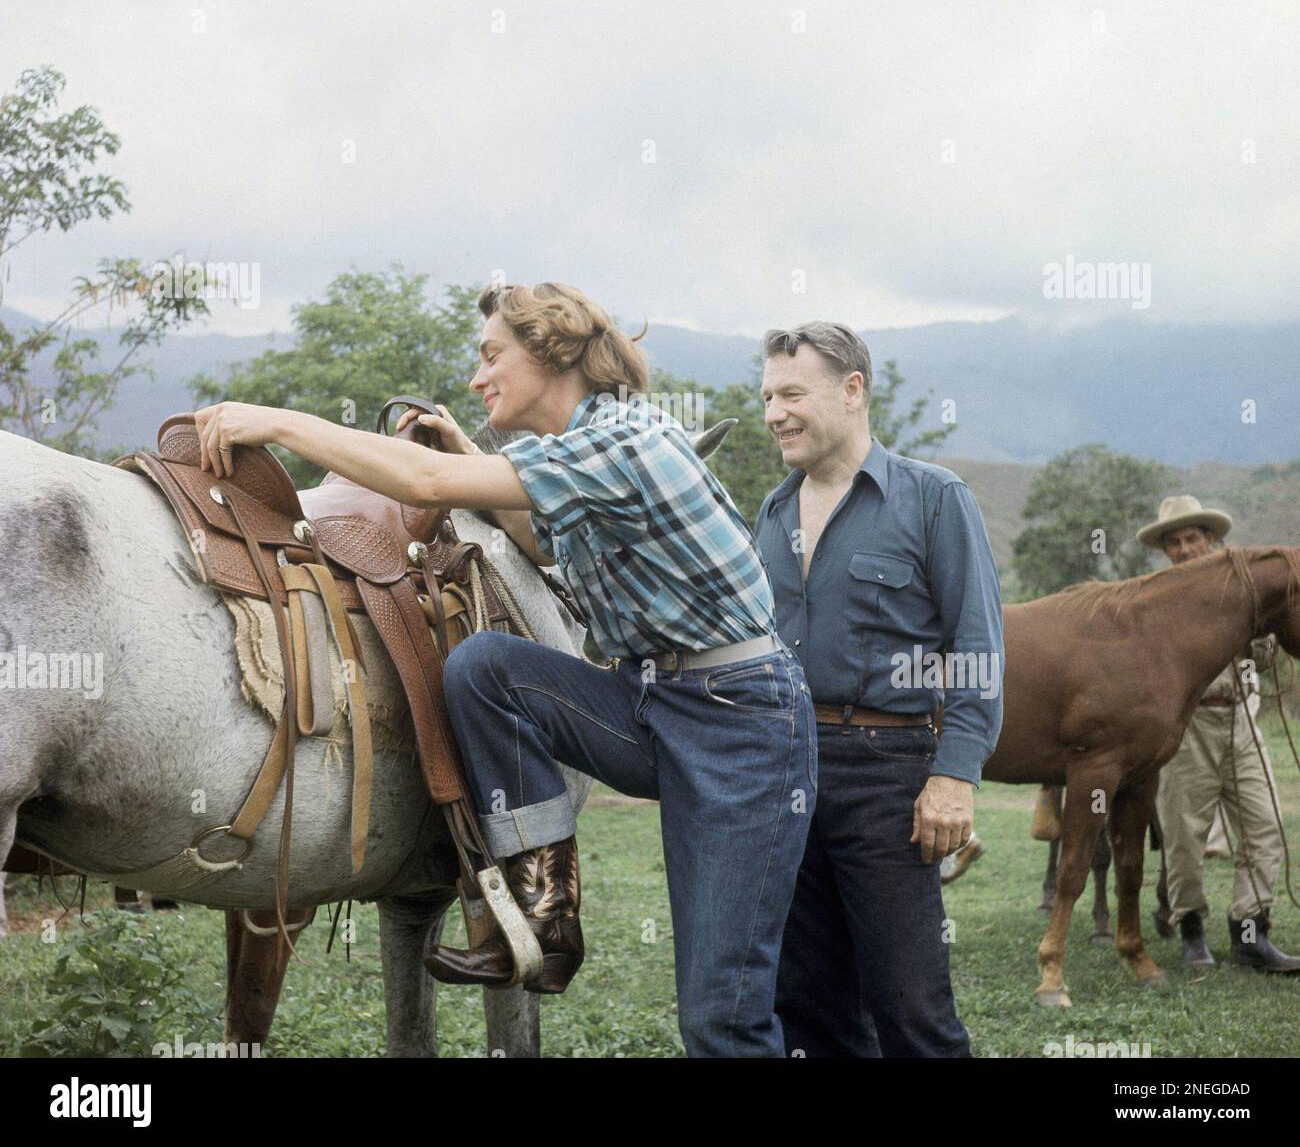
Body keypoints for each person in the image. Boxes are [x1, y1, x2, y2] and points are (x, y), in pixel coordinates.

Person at [195, 281, 816, 1056]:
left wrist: (279, 421)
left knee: (720, 1015)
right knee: (487, 665)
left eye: (492, 356)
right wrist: (474, 460)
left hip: (743, 716)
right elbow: (544, 544)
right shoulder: (574, 456)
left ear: (552, 353)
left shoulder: (623, 440)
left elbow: (421, 485)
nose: (477, 376)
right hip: (650, 697)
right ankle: (545, 910)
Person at [753, 323, 1003, 1057]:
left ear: (853, 389)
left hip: (887, 773)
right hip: (785, 774)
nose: (774, 412)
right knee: (806, 1004)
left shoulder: (933, 498)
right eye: (767, 395)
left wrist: (953, 776)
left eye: (792, 393)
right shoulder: (770, 514)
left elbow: (977, 650)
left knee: (910, 1006)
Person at [1137, 495, 1300, 973]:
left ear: (1213, 541)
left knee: (1264, 824)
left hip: (1243, 718)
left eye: (1194, 538)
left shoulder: (1244, 590)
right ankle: (1191, 932)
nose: (1186, 549)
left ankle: (1250, 932)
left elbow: (1268, 659)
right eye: (1175, 542)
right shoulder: (1155, 599)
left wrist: (1258, 638)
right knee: (1185, 836)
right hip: (1188, 725)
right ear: (1166, 551)